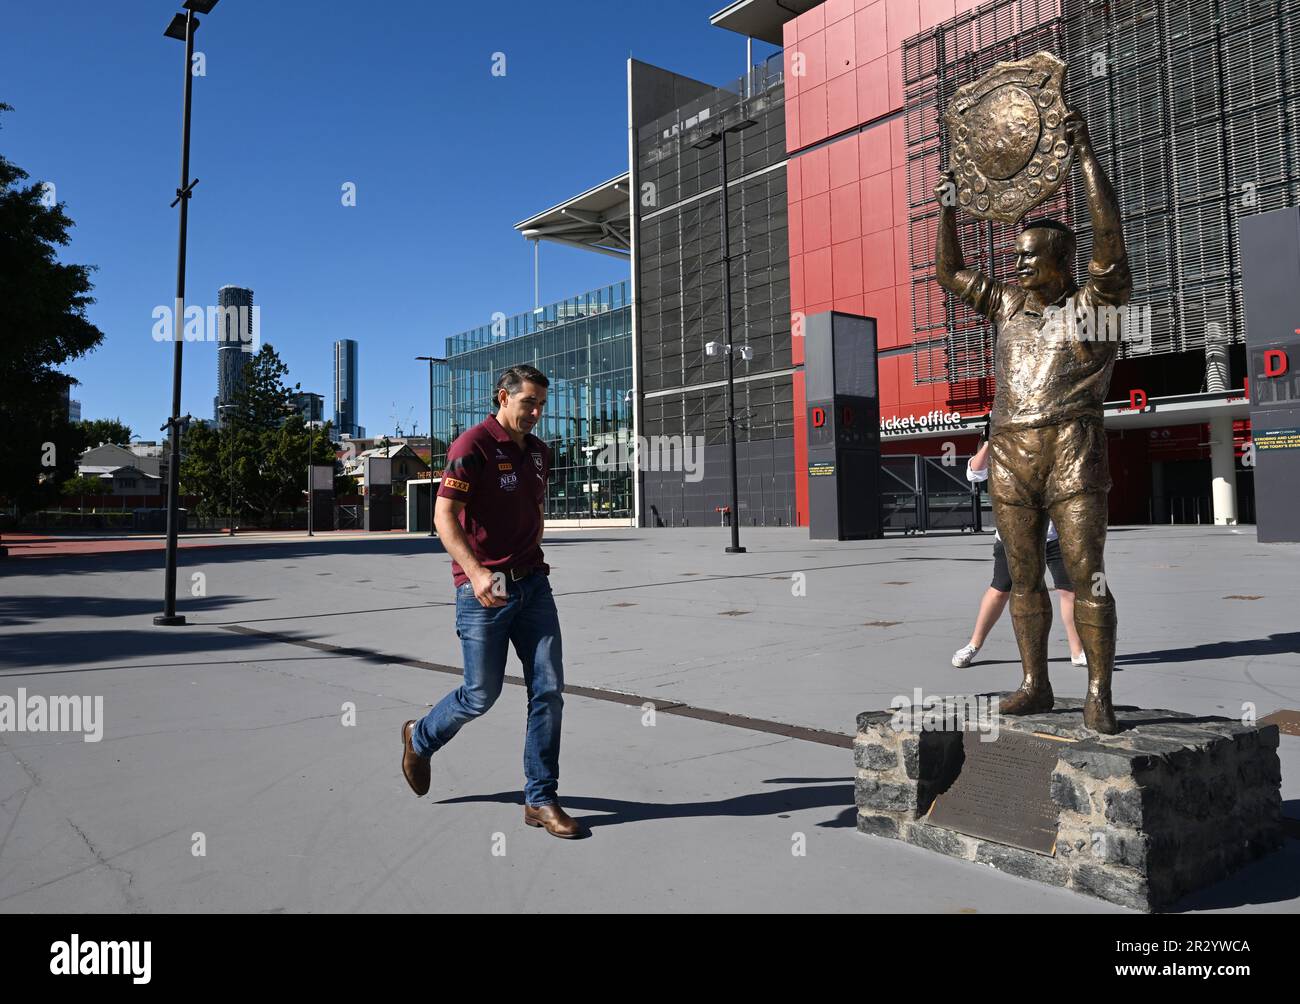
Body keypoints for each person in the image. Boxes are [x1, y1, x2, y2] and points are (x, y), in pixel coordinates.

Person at [934, 107, 1129, 732]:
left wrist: (1087, 158)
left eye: (1027, 257)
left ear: (1061, 262)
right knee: (1022, 576)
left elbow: (1109, 242)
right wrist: (948, 210)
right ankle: (1034, 683)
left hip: (1071, 447)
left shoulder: (1095, 304)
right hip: (1012, 453)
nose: (1016, 266)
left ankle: (1098, 692)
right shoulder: (1009, 305)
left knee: (1086, 572)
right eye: (1015, 257)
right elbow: (949, 274)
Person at [400, 364, 581, 838]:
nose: (537, 413)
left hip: (533, 585)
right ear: (503, 397)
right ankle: (420, 738)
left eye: (542, 404)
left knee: (548, 690)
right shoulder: (472, 446)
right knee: (482, 693)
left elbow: (535, 509)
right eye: (529, 403)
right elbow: (444, 516)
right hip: (487, 584)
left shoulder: (539, 452)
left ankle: (540, 798)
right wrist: (478, 572)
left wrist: (533, 558)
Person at [952, 436, 1086, 669]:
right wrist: (989, 442)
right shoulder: (1001, 457)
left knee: (1068, 591)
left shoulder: (1046, 452)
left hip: (1053, 535)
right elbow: (974, 473)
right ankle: (973, 645)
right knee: (1000, 590)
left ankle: (1077, 651)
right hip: (1013, 537)